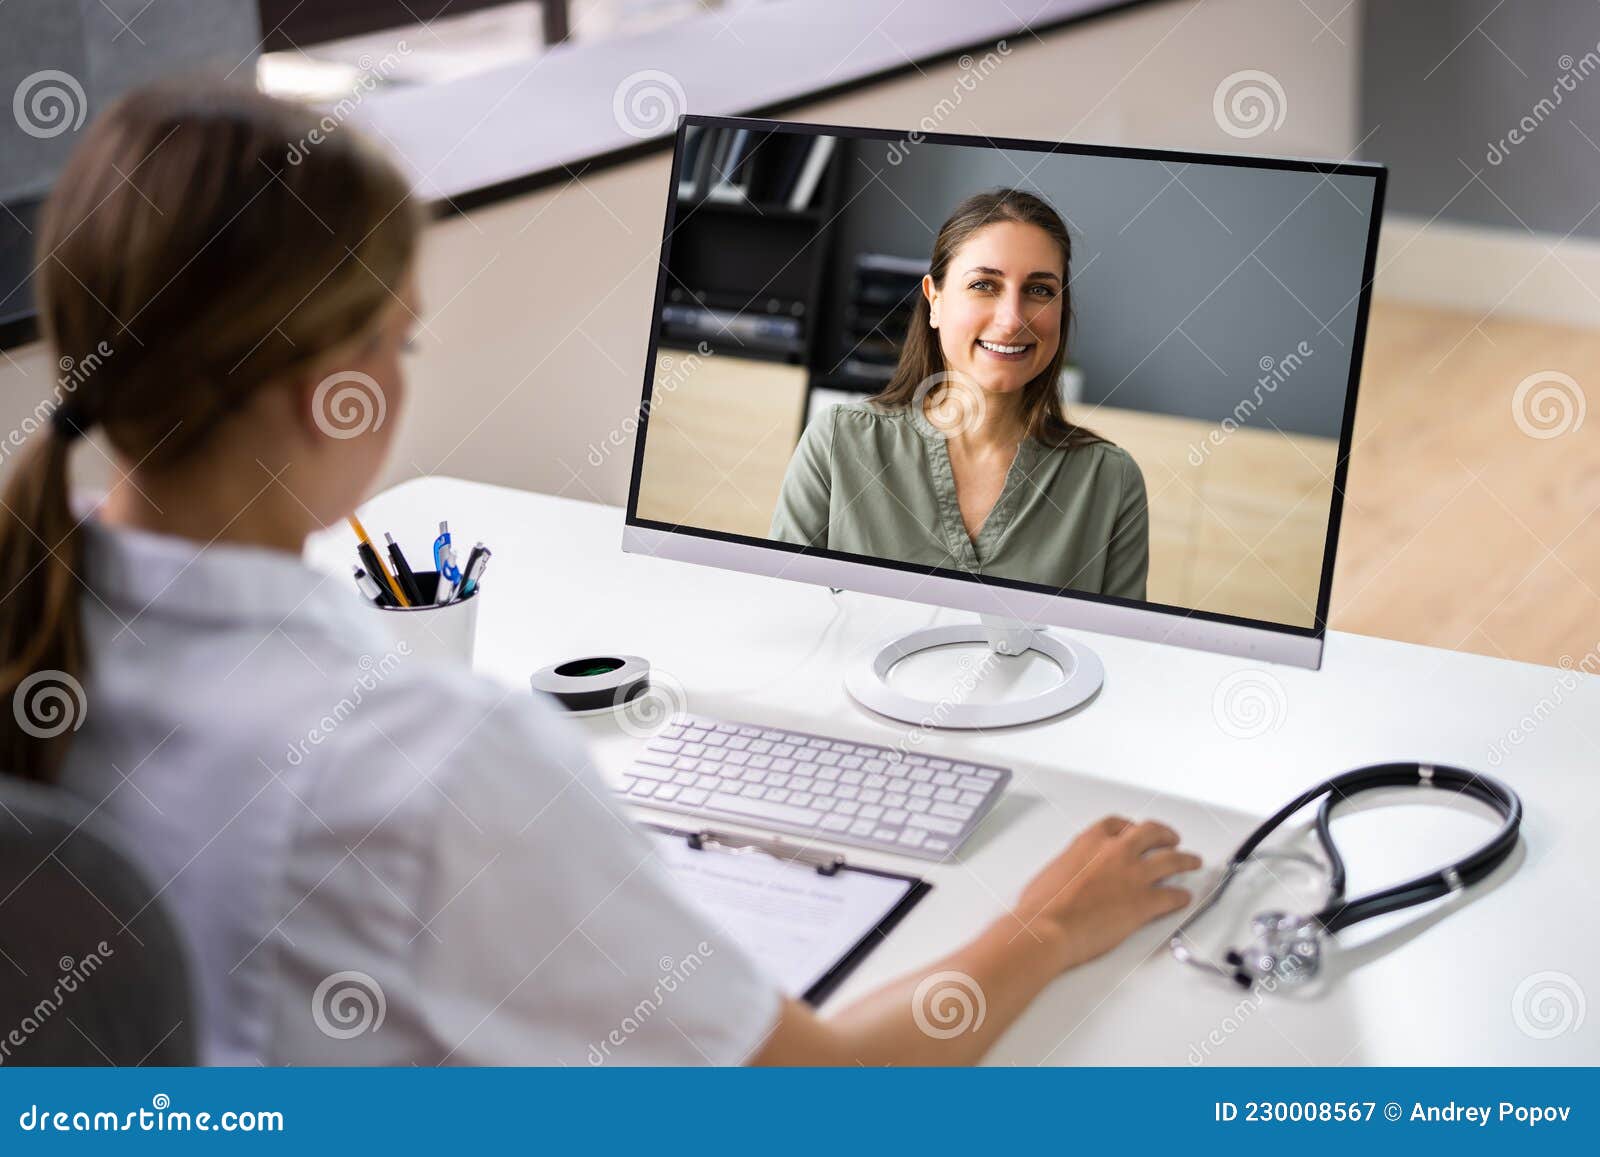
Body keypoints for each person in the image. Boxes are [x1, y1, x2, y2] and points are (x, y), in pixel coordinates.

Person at [0, 84, 1197, 1066]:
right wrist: (1048, 921)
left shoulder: (33, 623)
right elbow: (819, 1093)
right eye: (397, 339)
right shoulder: (437, 754)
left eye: (1040, 286)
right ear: (333, 389)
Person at [771, 189, 1150, 601]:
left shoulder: (1110, 482)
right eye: (984, 284)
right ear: (935, 300)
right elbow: (785, 626)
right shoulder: (837, 441)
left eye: (1040, 290)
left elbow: (1120, 659)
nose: (1011, 320)